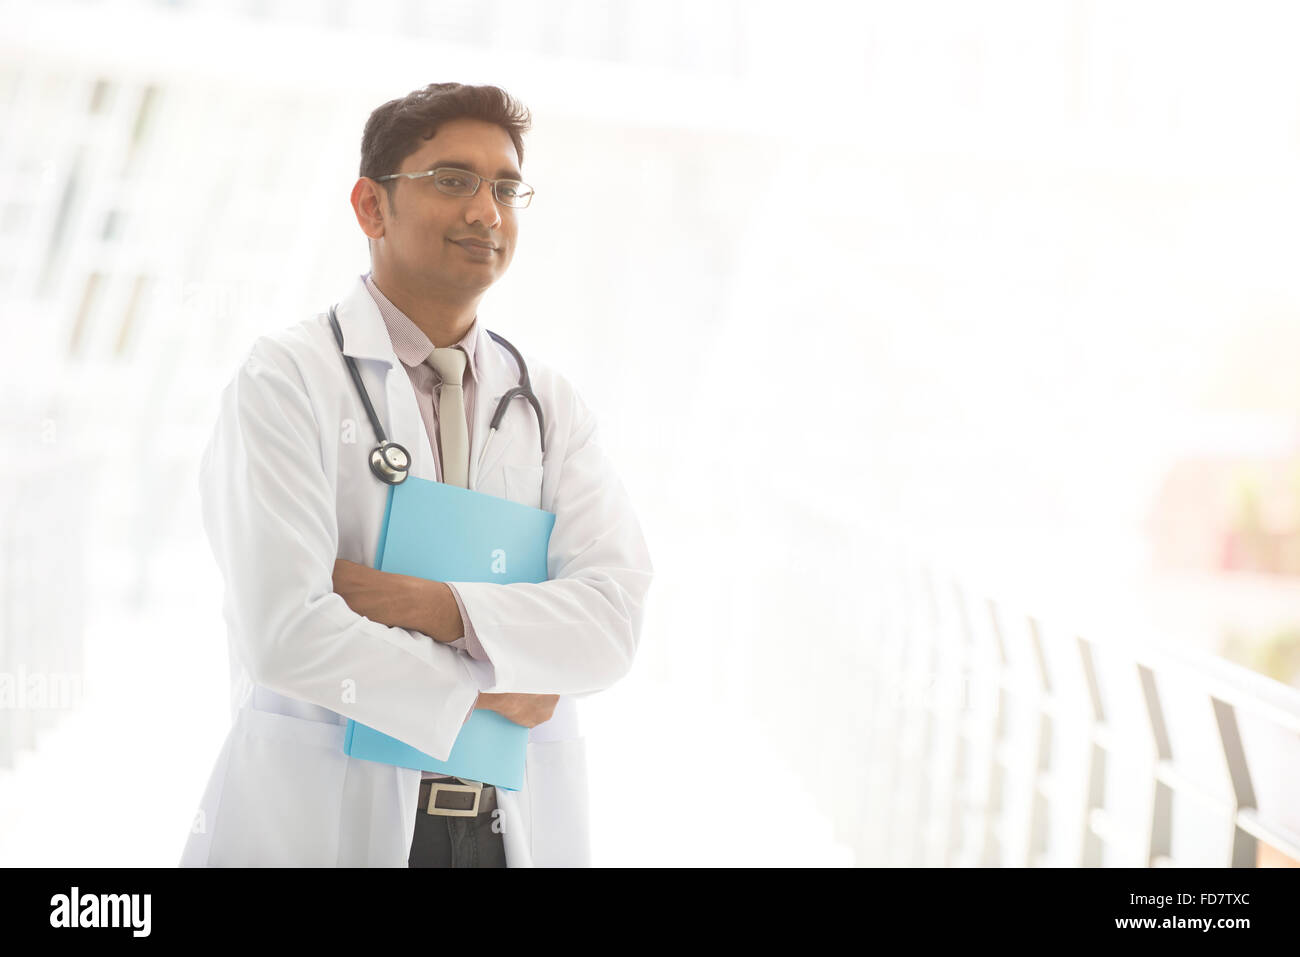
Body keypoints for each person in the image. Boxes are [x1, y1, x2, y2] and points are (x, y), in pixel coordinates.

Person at [179, 82, 654, 868]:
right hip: (332, 816)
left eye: (505, 187)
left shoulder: (548, 401)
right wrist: (489, 693)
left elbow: (611, 620)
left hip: (505, 829)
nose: (486, 211)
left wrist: (424, 605)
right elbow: (286, 630)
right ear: (371, 207)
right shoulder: (287, 379)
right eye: (452, 180)